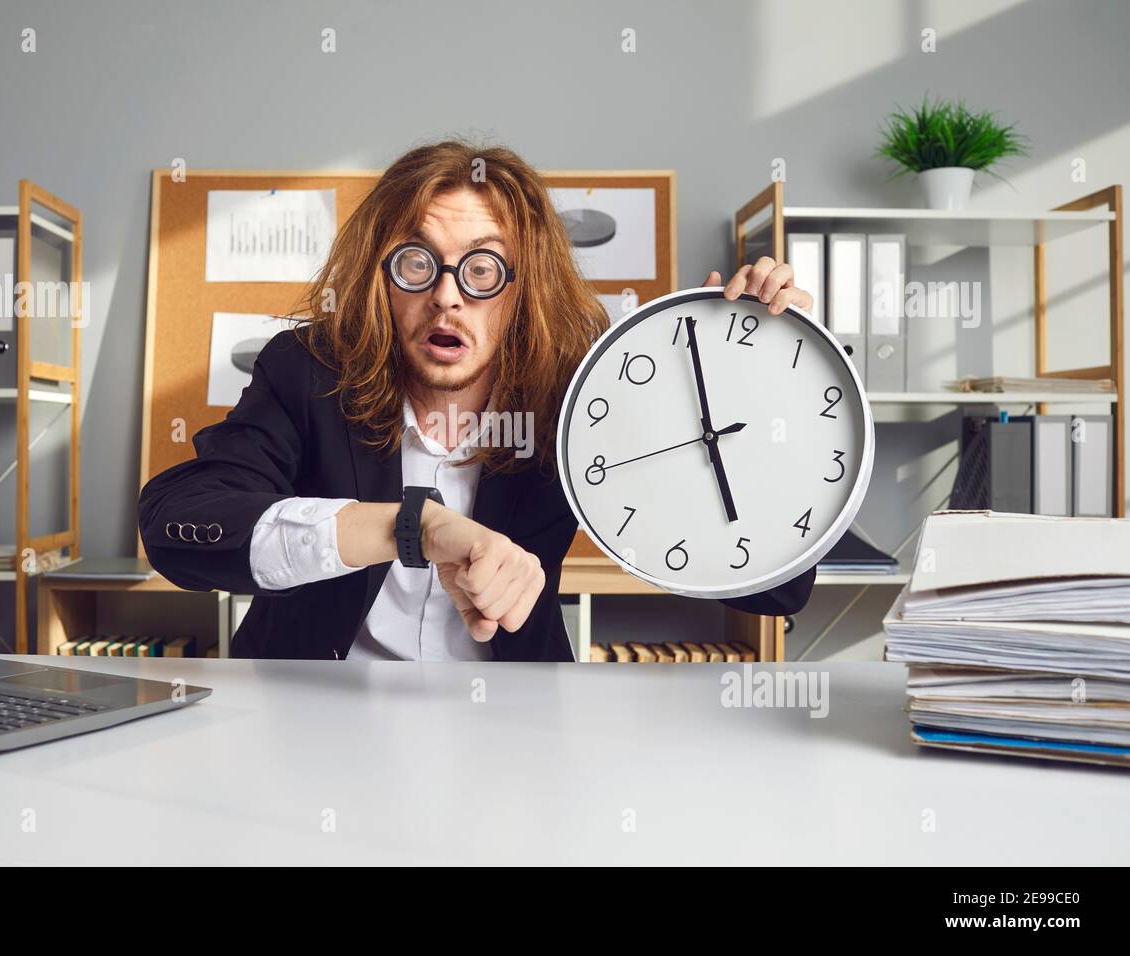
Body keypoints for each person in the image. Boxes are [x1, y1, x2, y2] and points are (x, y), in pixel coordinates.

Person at [137, 140, 816, 661]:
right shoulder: (308, 372)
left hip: (510, 731)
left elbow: (775, 589)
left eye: (484, 269)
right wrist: (416, 528)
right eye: (416, 262)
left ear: (525, 291)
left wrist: (749, 379)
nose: (448, 295)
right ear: (381, 278)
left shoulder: (576, 402)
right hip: (310, 720)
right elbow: (179, 524)